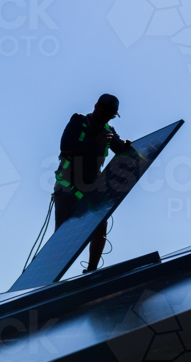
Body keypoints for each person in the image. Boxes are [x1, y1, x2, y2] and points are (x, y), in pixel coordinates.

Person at [53, 94, 132, 272]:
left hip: (89, 188)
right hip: (67, 188)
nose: (108, 118)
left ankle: (91, 270)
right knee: (62, 235)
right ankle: (52, 273)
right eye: (107, 113)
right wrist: (94, 142)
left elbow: (120, 149)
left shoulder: (108, 131)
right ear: (97, 106)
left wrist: (126, 147)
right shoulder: (79, 122)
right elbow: (65, 146)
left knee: (101, 223)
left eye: (111, 116)